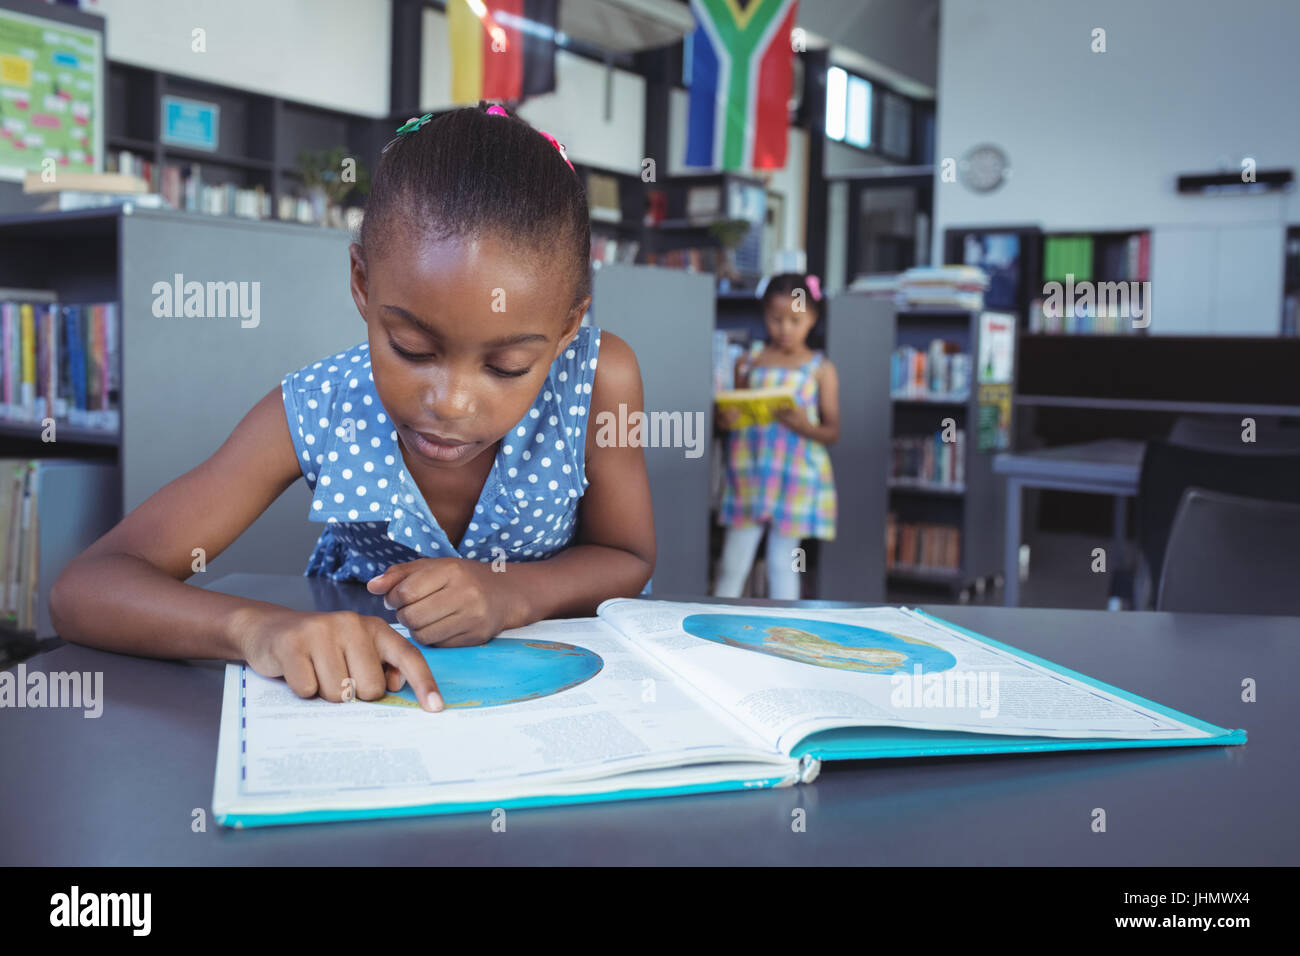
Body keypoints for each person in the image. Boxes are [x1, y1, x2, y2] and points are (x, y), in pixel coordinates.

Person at [50, 104, 655, 712]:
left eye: (506, 368)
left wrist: (512, 593)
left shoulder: (601, 379)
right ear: (363, 284)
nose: (450, 402)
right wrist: (258, 629)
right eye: (412, 349)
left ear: (568, 326)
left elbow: (627, 557)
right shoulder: (321, 407)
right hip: (375, 700)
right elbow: (90, 586)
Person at [713, 273, 838, 599]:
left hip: (795, 477)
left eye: (795, 321)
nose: (785, 329)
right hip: (749, 475)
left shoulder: (820, 369)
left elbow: (832, 431)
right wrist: (725, 419)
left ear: (813, 318)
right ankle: (712, 626)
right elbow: (732, 418)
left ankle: (787, 633)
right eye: (776, 319)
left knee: (784, 564)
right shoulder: (748, 362)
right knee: (732, 563)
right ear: (764, 316)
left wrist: (801, 424)